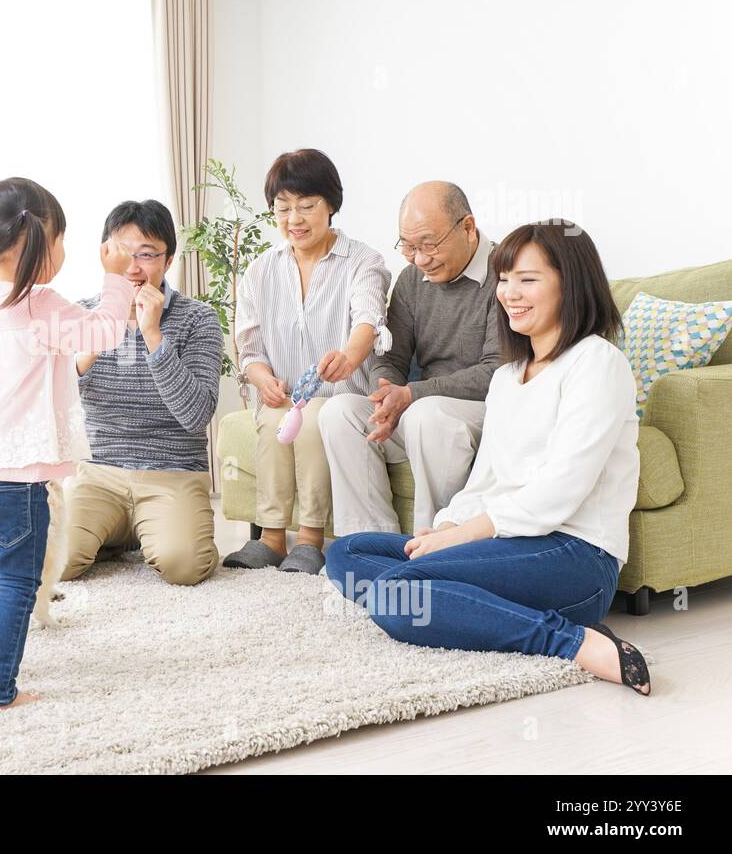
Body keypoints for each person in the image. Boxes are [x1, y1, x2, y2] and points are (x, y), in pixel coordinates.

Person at [325, 221, 651, 696]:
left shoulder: (597, 363)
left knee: (398, 597)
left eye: (528, 279)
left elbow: (560, 490)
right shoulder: (508, 376)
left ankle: (574, 642)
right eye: (503, 279)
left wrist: (465, 536)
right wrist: (446, 527)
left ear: (571, 283)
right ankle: (471, 600)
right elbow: (486, 478)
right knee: (346, 555)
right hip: (508, 543)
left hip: (575, 554)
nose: (509, 293)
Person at [0, 176, 136, 709]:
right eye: (61, 238)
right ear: (34, 243)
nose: (64, 251)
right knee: (18, 584)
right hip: (14, 484)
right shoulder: (39, 306)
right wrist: (115, 279)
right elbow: (104, 332)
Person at [225, 148, 390, 573]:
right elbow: (250, 347)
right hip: (286, 396)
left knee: (316, 414)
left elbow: (368, 317)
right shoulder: (261, 271)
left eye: (306, 206)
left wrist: (351, 356)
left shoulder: (363, 261)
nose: (294, 219)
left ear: (331, 204)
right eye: (283, 208)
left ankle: (312, 539)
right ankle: (273, 537)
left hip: (343, 397)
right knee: (273, 413)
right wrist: (262, 379)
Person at [320, 181, 500, 536]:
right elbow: (390, 357)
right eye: (409, 247)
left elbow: (497, 373)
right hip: (421, 411)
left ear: (468, 227)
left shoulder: (507, 271)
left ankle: (438, 543)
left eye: (429, 244)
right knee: (339, 412)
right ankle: (370, 544)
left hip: (485, 412)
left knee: (426, 414)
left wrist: (412, 395)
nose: (420, 259)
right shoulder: (411, 280)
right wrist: (384, 397)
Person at [63, 199, 223, 586]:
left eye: (147, 255)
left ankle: (145, 528)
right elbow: (59, 397)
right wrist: (104, 325)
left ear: (168, 261)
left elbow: (196, 414)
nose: (133, 268)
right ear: (105, 256)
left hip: (174, 473)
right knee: (54, 561)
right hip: (100, 473)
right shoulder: (83, 313)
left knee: (184, 566)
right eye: (121, 253)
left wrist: (154, 336)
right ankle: (120, 529)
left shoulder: (198, 318)